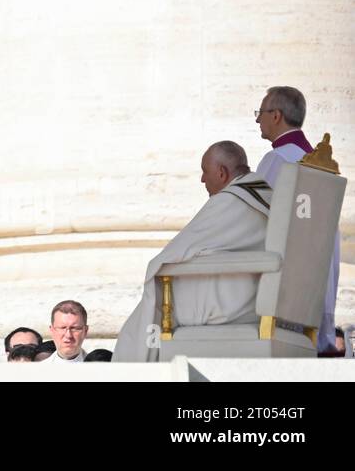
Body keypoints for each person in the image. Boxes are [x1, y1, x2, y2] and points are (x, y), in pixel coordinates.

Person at [113, 141, 272, 362]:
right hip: (260, 298)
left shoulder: (230, 200)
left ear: (222, 172)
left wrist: (157, 267)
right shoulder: (267, 194)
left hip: (231, 303)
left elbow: (171, 255)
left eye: (205, 172)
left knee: (138, 324)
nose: (202, 179)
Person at [252, 86, 339, 354]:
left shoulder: (277, 160)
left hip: (285, 290)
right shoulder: (320, 162)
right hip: (319, 282)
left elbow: (255, 220)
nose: (257, 119)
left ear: (276, 116)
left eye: (261, 113)